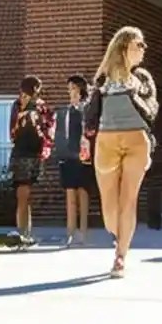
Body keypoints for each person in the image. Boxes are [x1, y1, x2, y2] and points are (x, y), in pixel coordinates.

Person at [84, 26, 159, 278]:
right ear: (123, 46)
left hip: (137, 140)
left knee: (129, 199)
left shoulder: (142, 78)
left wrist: (134, 90)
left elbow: (152, 109)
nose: (143, 49)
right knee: (109, 209)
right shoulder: (103, 79)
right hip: (107, 141)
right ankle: (118, 235)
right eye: (139, 44)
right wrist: (86, 139)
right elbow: (91, 112)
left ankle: (120, 256)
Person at [7, 76, 55, 248]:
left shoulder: (42, 107)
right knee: (22, 193)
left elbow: (49, 129)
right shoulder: (16, 105)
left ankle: (26, 233)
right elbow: (12, 132)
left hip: (34, 154)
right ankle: (22, 233)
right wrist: (23, 112)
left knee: (27, 196)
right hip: (20, 152)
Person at [56, 74, 98, 247]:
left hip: (83, 157)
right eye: (69, 89)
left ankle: (83, 232)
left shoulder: (86, 110)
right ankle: (70, 232)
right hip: (67, 157)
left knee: (83, 193)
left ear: (81, 90)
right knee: (70, 195)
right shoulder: (64, 112)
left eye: (73, 88)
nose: (70, 92)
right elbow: (60, 135)